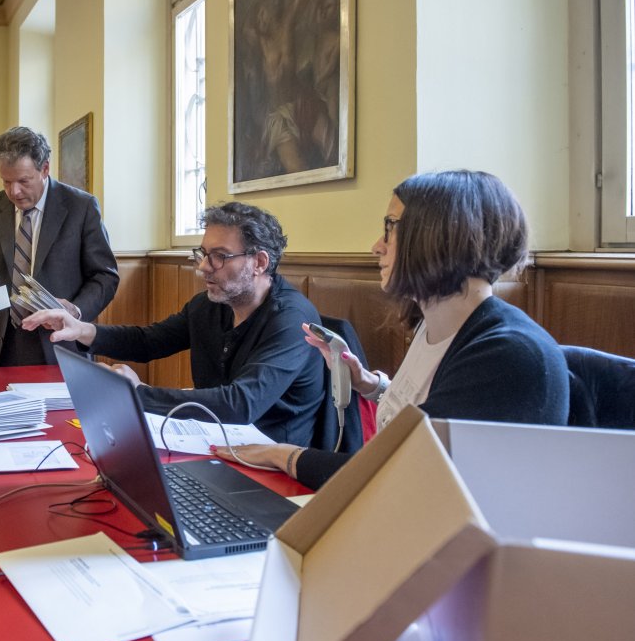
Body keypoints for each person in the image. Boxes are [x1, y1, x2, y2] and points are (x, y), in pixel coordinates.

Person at [214, 171, 570, 488]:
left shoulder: (506, 354)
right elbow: (427, 413)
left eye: (390, 228)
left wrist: (282, 456)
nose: (377, 246)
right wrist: (370, 385)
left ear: (438, 237)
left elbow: (394, 472)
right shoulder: (435, 325)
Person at [22, 201, 325, 444]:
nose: (203, 268)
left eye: (219, 256)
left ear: (259, 262)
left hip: (275, 465)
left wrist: (136, 394)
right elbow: (149, 341)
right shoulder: (209, 305)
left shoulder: (291, 319)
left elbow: (241, 404)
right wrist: (81, 329)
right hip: (217, 443)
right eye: (203, 254)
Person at [0, 126, 119, 367]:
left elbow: (105, 276)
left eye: (23, 181)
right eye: (6, 181)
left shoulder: (81, 207)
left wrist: (74, 310)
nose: (14, 191)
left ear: (45, 169)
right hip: (2, 343)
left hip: (62, 342)